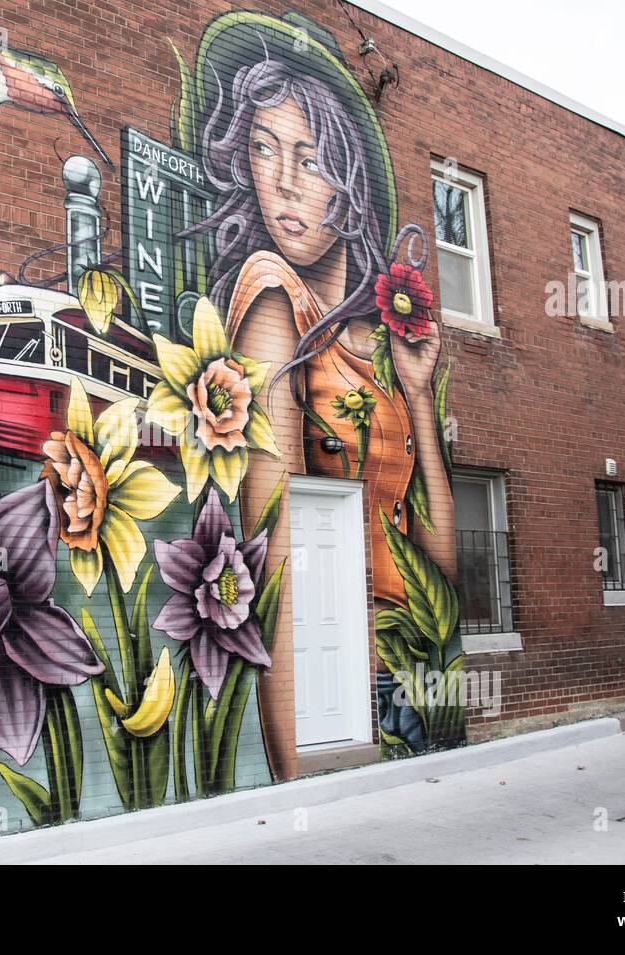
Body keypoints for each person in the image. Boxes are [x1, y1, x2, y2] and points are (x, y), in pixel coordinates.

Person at [187, 11, 457, 767]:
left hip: (400, 680)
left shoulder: (378, 341)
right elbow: (271, 569)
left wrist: (419, 395)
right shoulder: (273, 300)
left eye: (308, 158)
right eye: (265, 149)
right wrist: (293, 770)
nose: (282, 181)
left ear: (350, 181)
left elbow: (433, 560)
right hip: (328, 689)